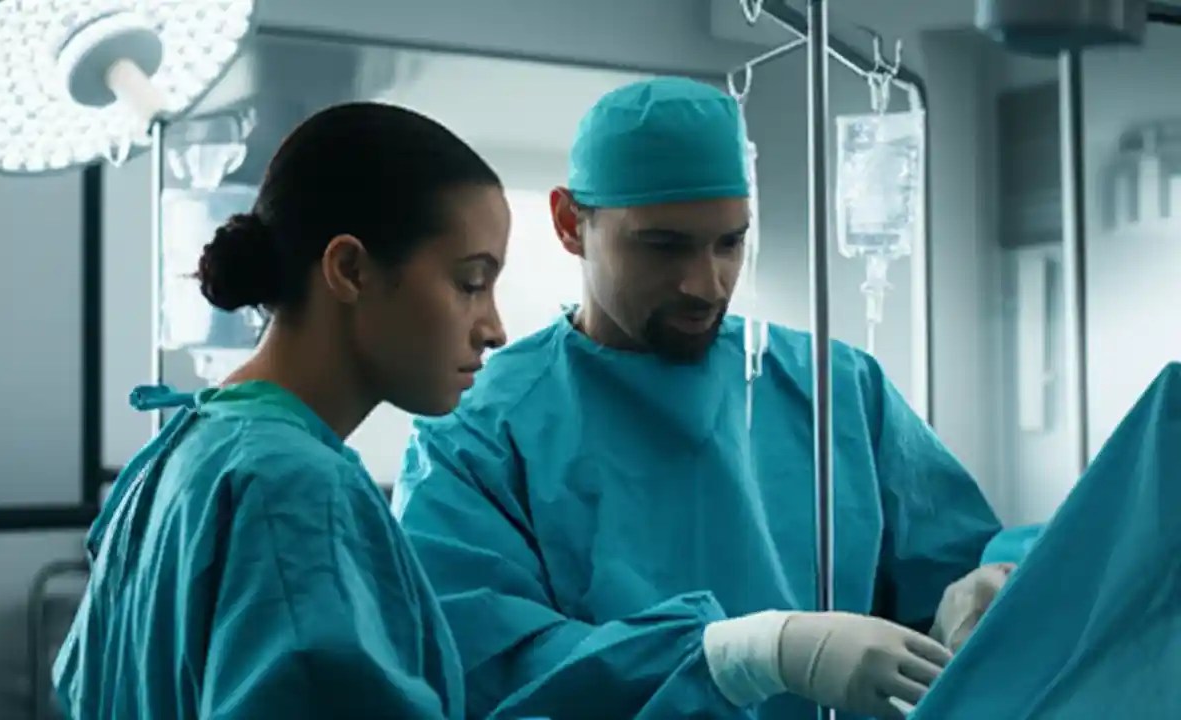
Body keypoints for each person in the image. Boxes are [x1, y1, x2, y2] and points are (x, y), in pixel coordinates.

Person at [392, 77, 1005, 720]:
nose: (705, 284)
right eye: (664, 246)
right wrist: (742, 657)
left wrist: (984, 589)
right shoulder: (479, 435)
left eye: (729, 243)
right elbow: (485, 666)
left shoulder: (837, 388)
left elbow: (967, 561)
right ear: (571, 224)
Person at [53, 102, 509, 719]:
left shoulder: (188, 451)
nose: (494, 328)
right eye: (470, 283)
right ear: (350, 270)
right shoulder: (293, 488)